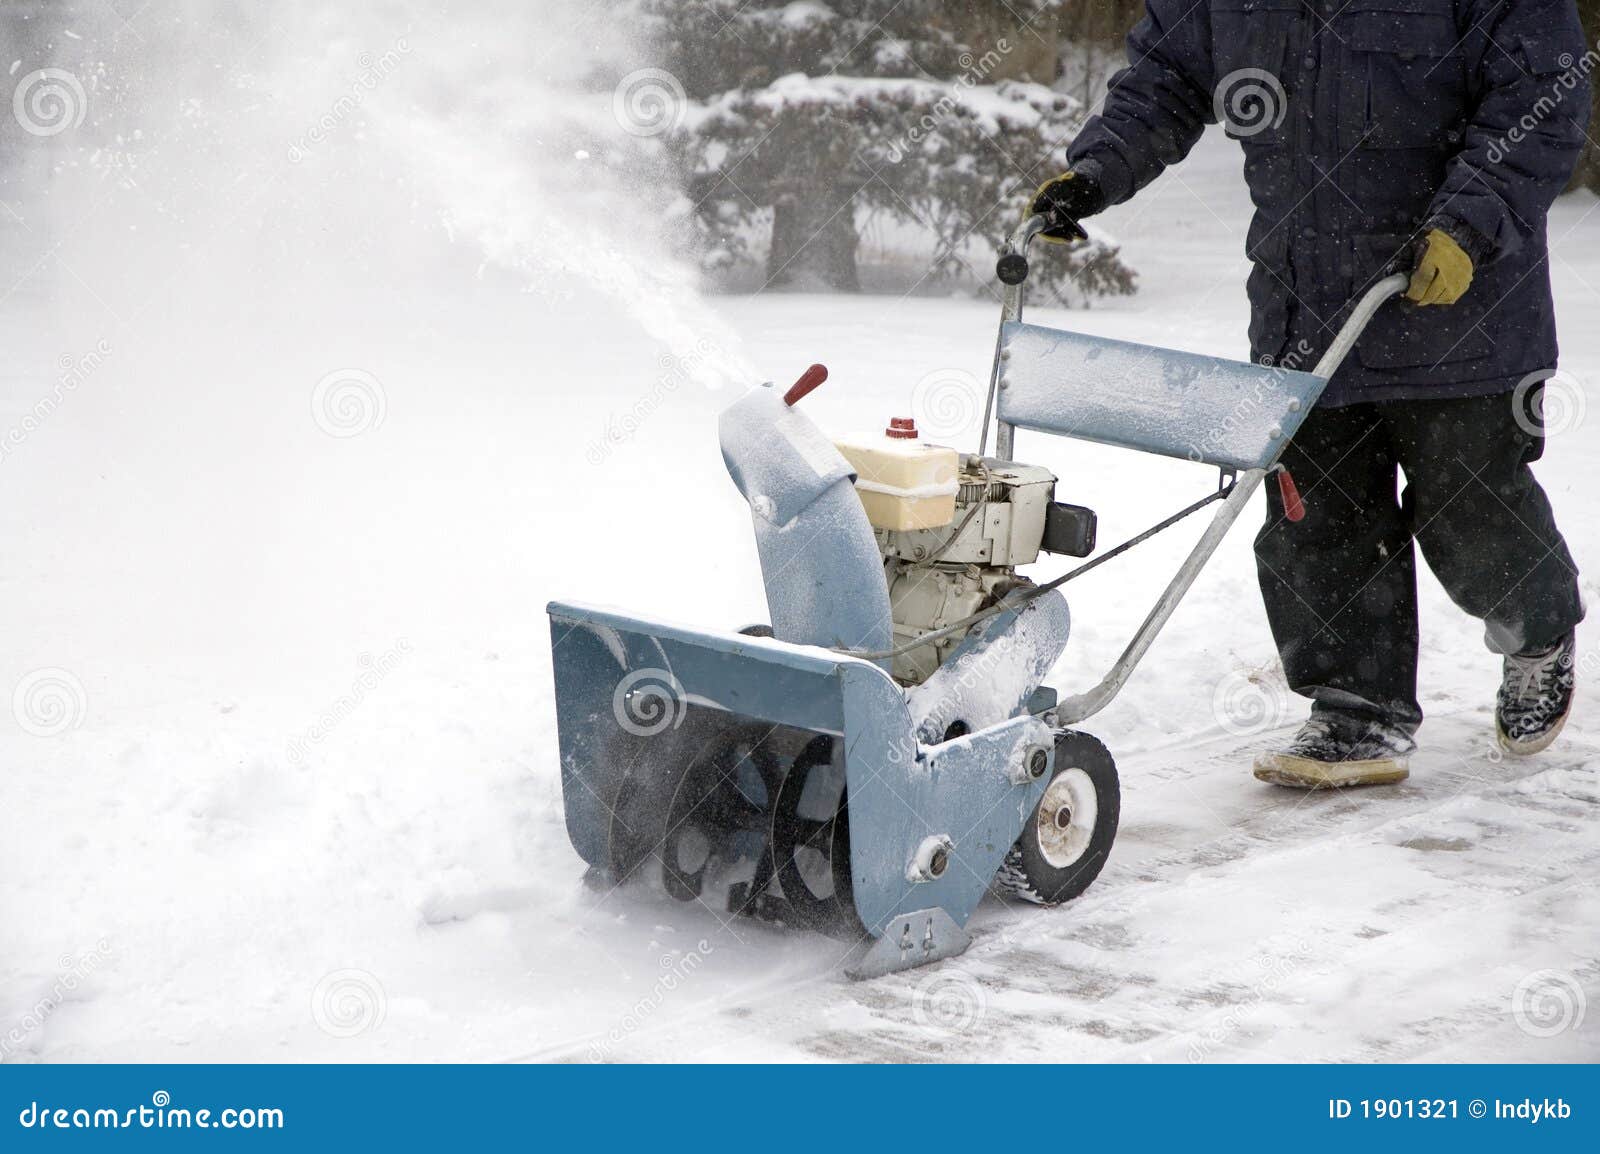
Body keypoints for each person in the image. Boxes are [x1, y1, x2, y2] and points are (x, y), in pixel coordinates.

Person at [1030, 0, 1590, 789]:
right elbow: (1166, 78)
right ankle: (1355, 704)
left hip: (1455, 306)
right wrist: (1096, 170)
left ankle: (1535, 632)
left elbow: (1539, 104)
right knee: (1318, 514)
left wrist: (1468, 224)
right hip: (1306, 304)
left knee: (1473, 504)